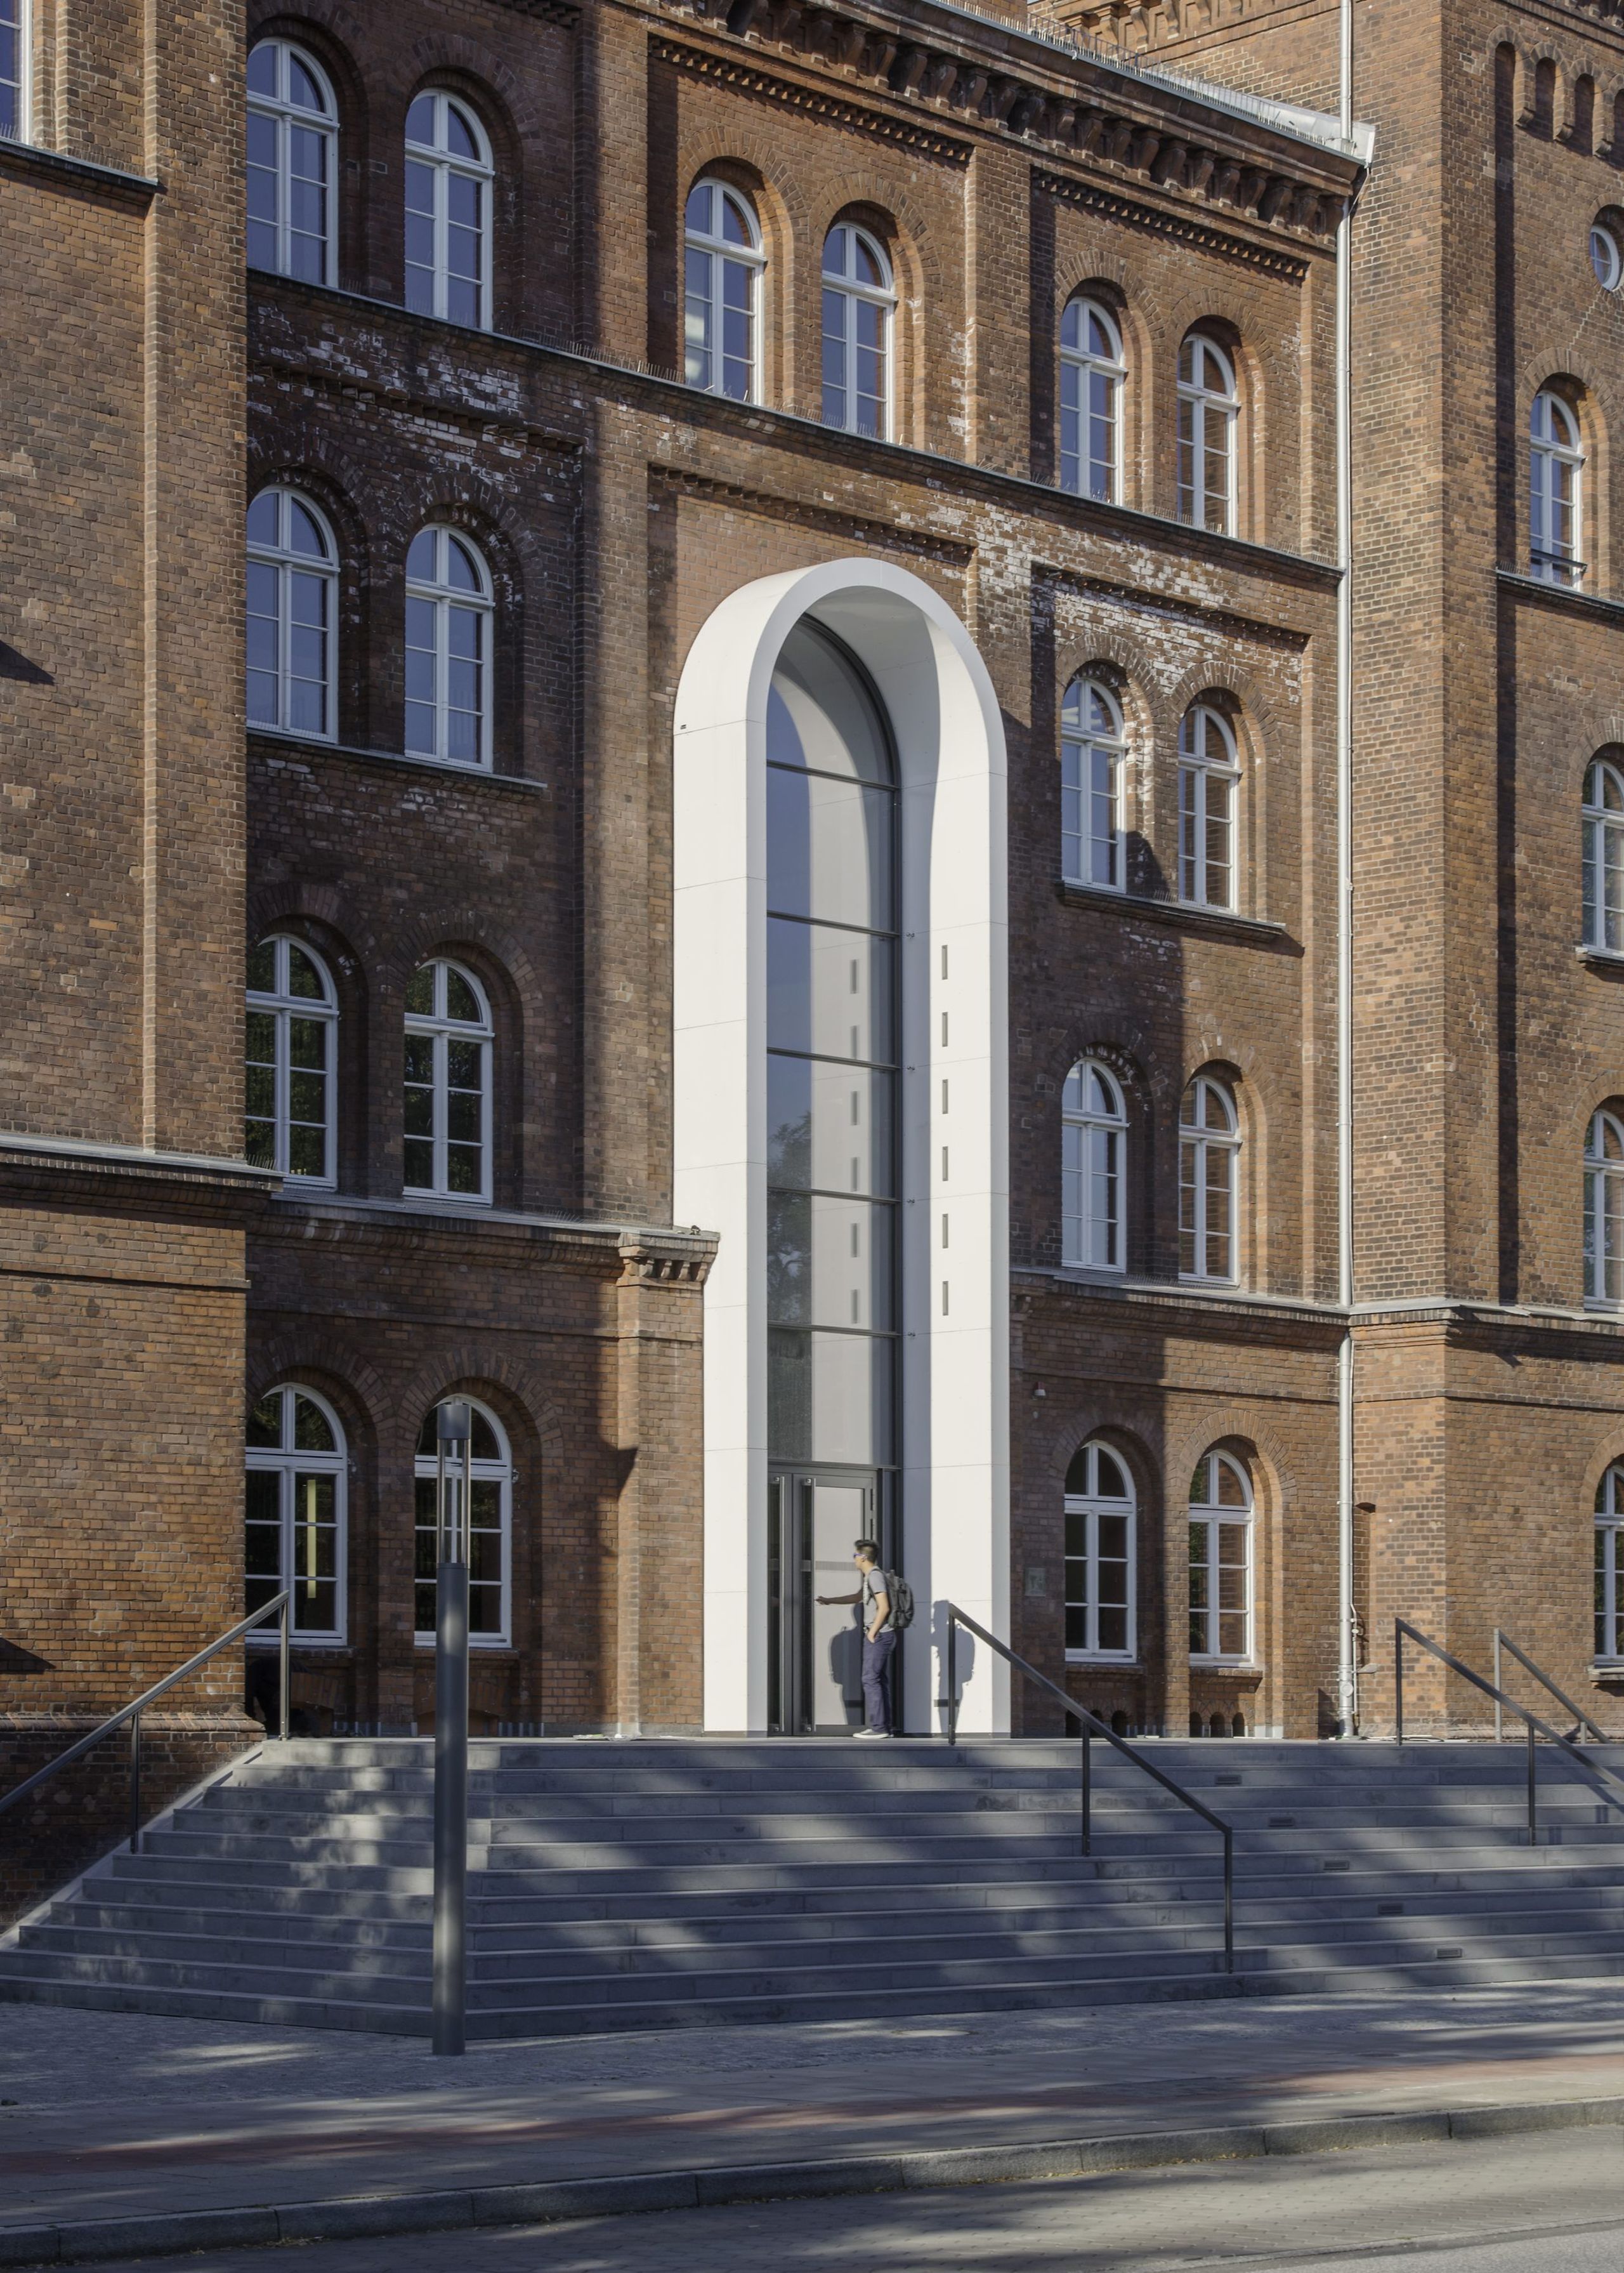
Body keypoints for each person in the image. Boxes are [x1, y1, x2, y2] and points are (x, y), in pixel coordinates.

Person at [818, 1539, 897, 1739]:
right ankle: (885, 1726)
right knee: (878, 1680)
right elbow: (856, 1597)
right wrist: (829, 1601)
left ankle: (879, 1728)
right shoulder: (871, 1578)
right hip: (880, 1635)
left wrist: (872, 1632)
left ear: (863, 1557)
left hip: (879, 1635)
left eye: (855, 1555)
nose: (854, 1559)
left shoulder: (875, 1576)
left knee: (870, 1679)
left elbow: (884, 1606)